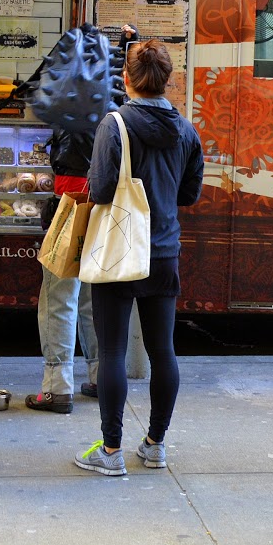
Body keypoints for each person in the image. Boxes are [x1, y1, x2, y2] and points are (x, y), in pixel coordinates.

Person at [73, 39, 203, 477]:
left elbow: (103, 189)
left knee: (110, 350)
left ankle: (110, 451)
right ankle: (155, 444)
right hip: (164, 251)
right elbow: (189, 194)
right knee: (162, 351)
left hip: (118, 249)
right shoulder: (186, 131)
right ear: (169, 81)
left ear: (126, 79)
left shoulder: (115, 125)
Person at [27, 24, 140, 415]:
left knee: (59, 296)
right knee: (93, 296)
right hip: (105, 207)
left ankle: (57, 386)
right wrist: (128, 45)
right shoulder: (115, 97)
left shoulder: (68, 95)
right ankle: (95, 375)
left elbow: (39, 101)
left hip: (68, 203)